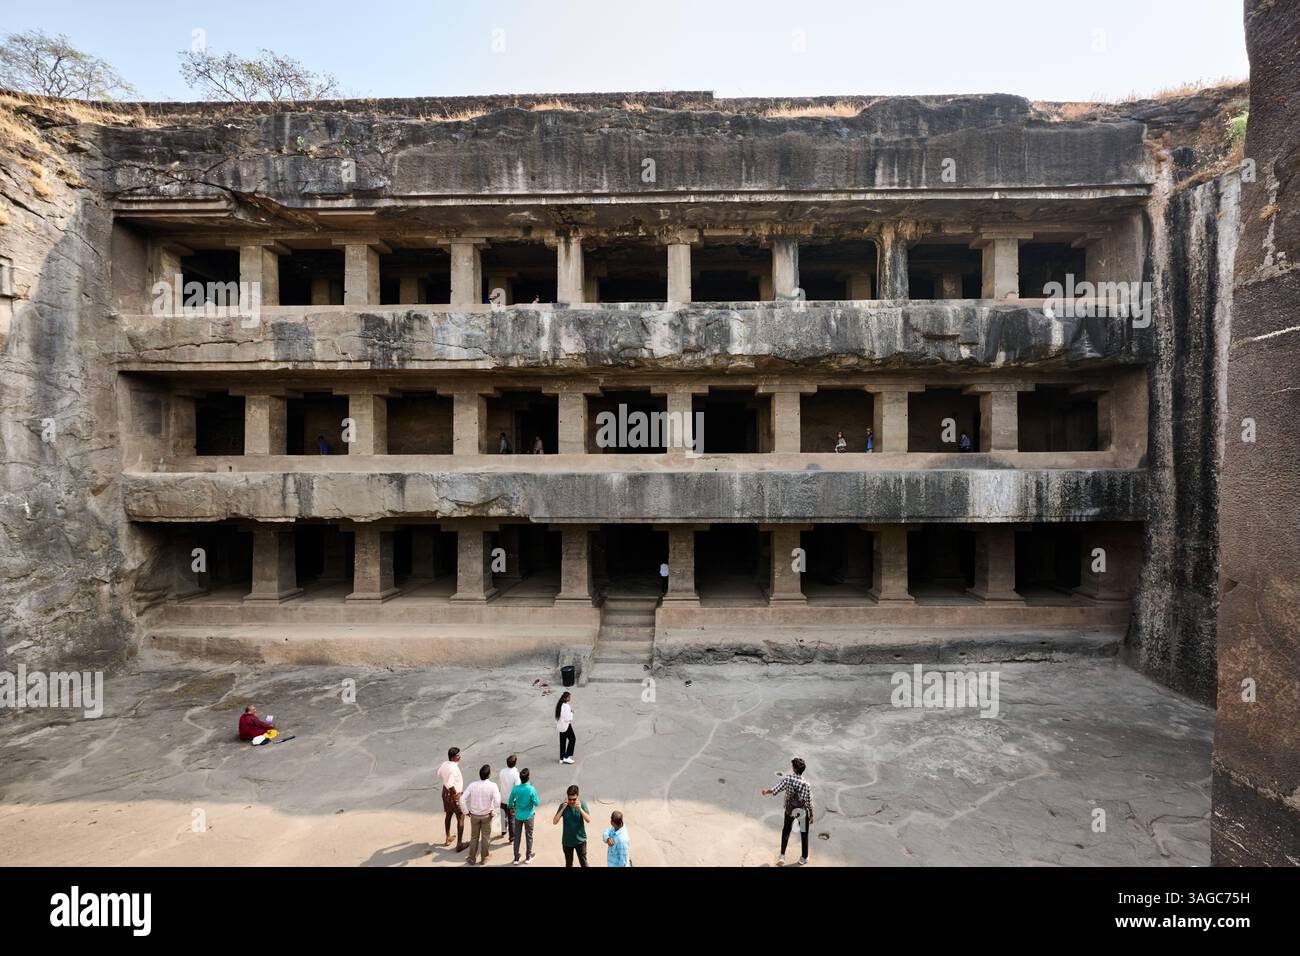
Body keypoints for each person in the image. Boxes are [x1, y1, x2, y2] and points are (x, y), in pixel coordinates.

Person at [762, 757, 814, 866]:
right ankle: (803, 858)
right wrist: (811, 814)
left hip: (789, 810)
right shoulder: (806, 784)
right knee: (804, 833)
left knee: (786, 830)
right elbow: (809, 801)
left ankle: (782, 856)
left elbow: (778, 788)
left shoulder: (788, 778)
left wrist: (767, 791)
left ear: (794, 769)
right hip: (801, 811)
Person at [461, 764, 502, 865]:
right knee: (485, 837)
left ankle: (472, 858)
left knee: (474, 837)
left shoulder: (472, 785)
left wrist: (466, 812)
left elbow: (462, 800)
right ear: (489, 775)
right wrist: (493, 812)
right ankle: (484, 858)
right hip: (486, 815)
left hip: (474, 815)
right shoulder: (493, 786)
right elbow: (497, 801)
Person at [438, 746, 469, 852]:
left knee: (448, 814)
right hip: (453, 794)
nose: (460, 757)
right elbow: (450, 783)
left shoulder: (444, 764)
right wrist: (456, 795)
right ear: (454, 757)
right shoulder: (454, 768)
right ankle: (459, 844)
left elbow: (439, 774)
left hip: (445, 793)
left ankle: (448, 837)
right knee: (461, 817)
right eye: (458, 755)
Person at [552, 784, 591, 867]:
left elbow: (588, 820)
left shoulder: (582, 804)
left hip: (580, 840)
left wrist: (580, 809)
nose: (572, 802)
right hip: (567, 842)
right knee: (569, 864)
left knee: (584, 863)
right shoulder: (564, 806)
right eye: (570, 799)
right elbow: (555, 821)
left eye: (574, 799)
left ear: (578, 796)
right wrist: (563, 808)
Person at [509, 767, 540, 864]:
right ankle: (528, 857)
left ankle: (516, 858)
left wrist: (514, 806)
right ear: (528, 777)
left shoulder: (515, 789)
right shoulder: (531, 789)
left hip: (518, 816)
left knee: (517, 837)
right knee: (529, 836)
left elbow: (510, 803)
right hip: (529, 816)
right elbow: (536, 803)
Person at [499, 754, 522, 840]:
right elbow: (517, 788)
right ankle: (512, 836)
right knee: (511, 818)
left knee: (503, 815)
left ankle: (503, 831)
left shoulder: (502, 771)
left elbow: (501, 783)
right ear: (515, 763)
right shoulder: (516, 774)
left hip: (503, 798)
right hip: (512, 801)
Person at [556, 691, 576, 764]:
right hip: (566, 726)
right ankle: (567, 757)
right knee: (572, 739)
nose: (570, 698)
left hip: (560, 726)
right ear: (565, 698)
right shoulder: (566, 706)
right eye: (569, 697)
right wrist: (571, 712)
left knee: (563, 741)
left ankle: (561, 758)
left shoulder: (559, 704)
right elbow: (568, 718)